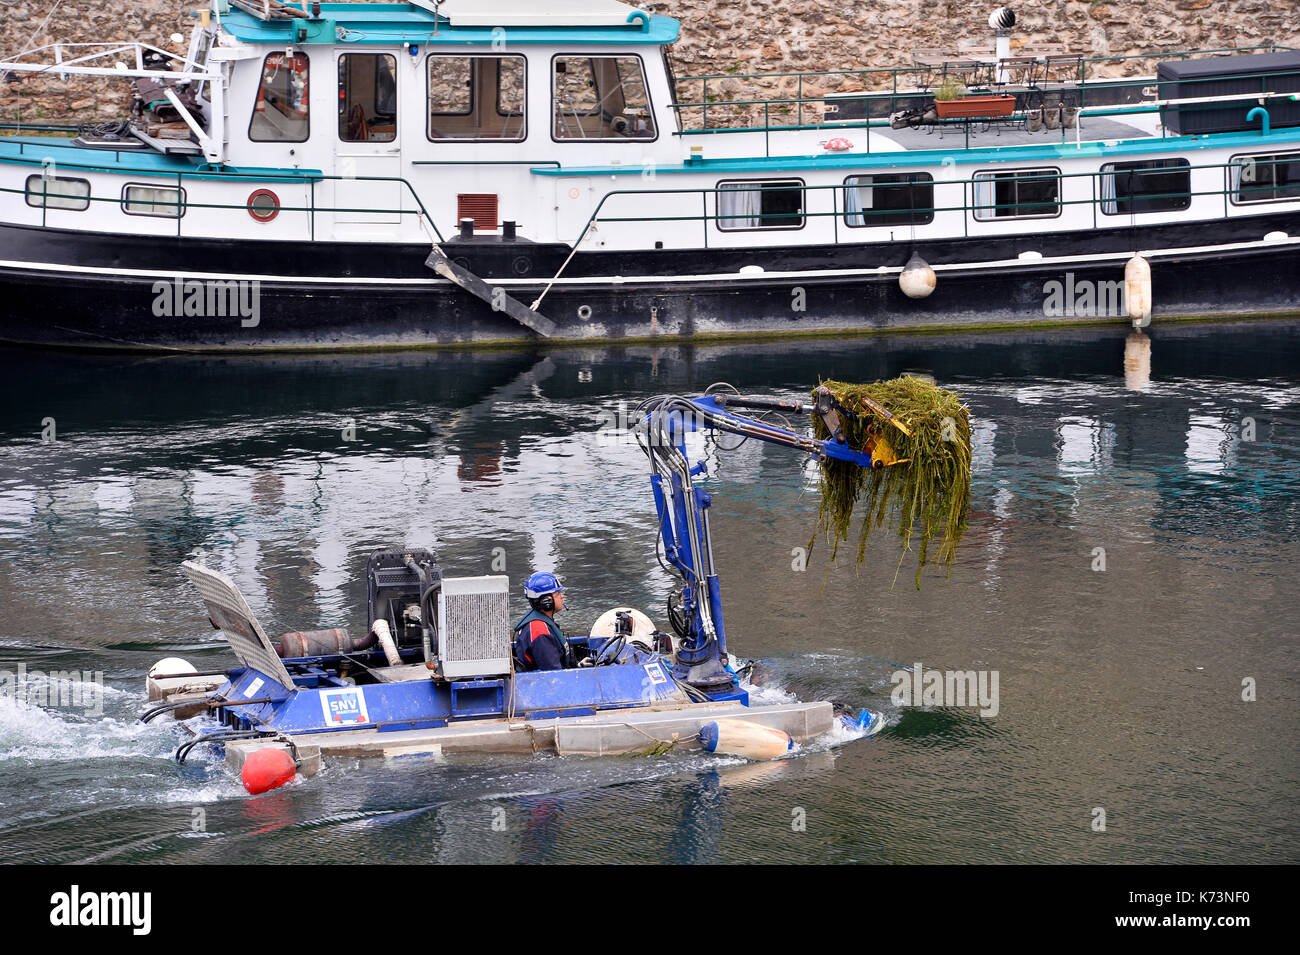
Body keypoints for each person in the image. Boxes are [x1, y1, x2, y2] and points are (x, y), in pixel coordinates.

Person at [512, 572, 572, 672]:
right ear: (546, 602)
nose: (562, 596)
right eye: (557, 594)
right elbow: (553, 674)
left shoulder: (538, 621)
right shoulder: (540, 631)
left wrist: (579, 665)